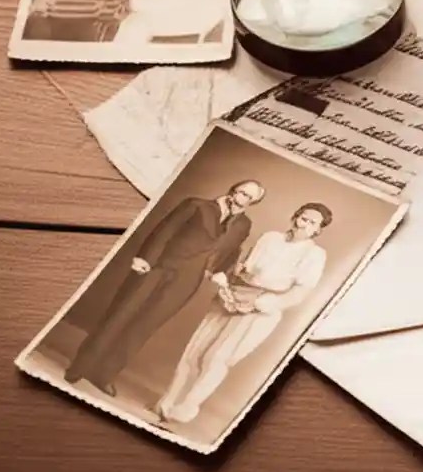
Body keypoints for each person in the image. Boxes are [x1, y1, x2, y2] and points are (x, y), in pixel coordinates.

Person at [62, 180, 265, 398]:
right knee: (120, 315)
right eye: (242, 192)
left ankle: (104, 375)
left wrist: (221, 270)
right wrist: (144, 257)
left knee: (144, 327)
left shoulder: (243, 225)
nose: (243, 198)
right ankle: (79, 367)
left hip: (187, 281)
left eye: (250, 198)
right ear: (232, 189)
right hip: (156, 267)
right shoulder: (196, 205)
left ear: (253, 203)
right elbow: (164, 231)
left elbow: (233, 250)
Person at [154, 202, 331, 425]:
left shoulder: (315, 254)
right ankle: (166, 401)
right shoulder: (270, 237)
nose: (305, 224)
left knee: (216, 358)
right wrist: (230, 275)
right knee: (193, 351)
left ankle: (187, 407)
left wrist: (265, 302)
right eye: (303, 218)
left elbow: (302, 291)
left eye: (312, 223)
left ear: (318, 230)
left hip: (259, 307)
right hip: (233, 293)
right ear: (295, 217)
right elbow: (244, 266)